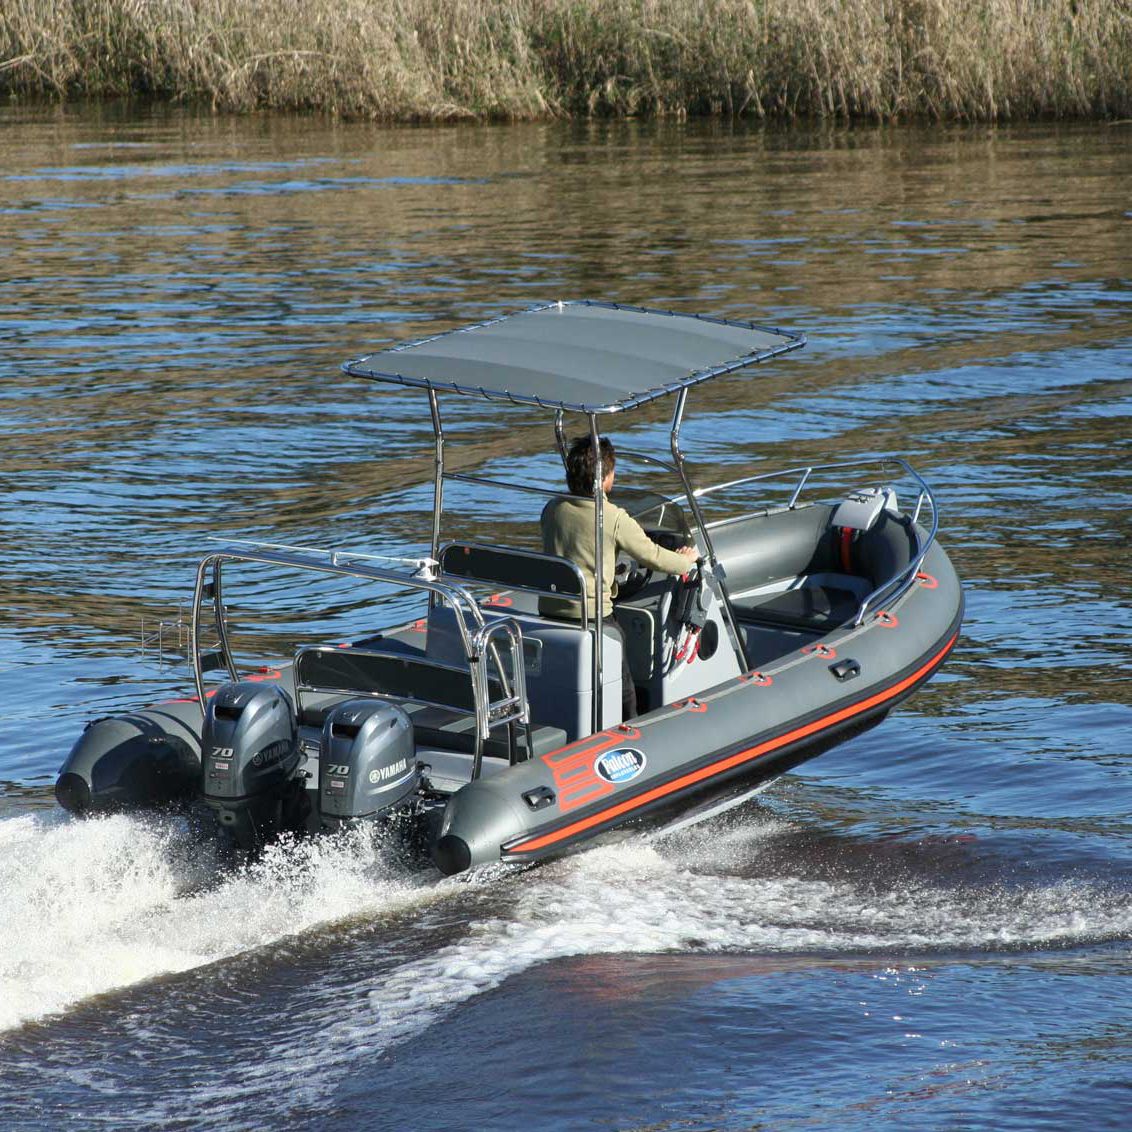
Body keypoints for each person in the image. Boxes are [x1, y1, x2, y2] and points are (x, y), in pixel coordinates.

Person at [540, 435, 697, 719]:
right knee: (625, 686)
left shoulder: (553, 509)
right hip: (594, 617)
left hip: (552, 611)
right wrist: (685, 561)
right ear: (604, 479)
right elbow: (652, 556)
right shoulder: (612, 517)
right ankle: (630, 724)